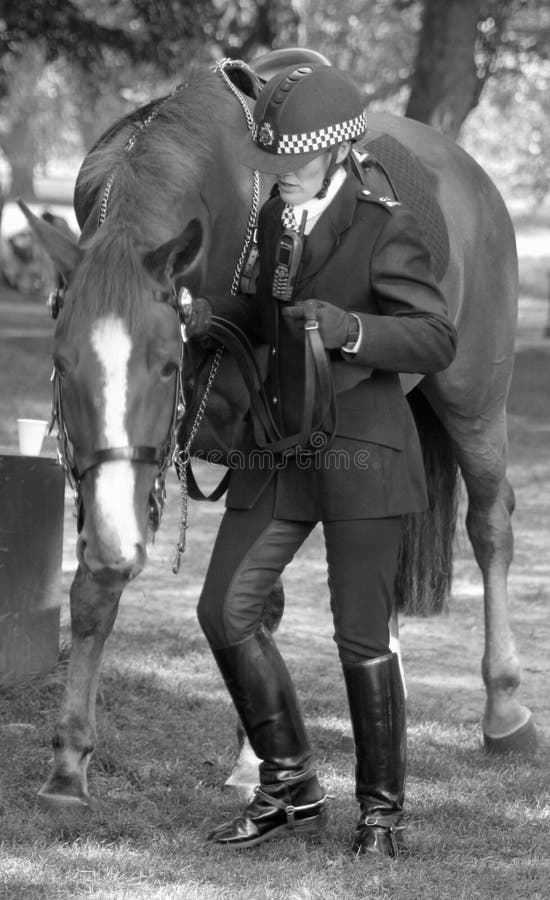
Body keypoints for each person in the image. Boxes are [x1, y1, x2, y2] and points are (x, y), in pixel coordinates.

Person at [188, 63, 457, 857]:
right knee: (224, 610)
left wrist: (351, 330)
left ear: (338, 150)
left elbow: (434, 337)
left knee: (361, 636)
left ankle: (382, 814)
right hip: (279, 449)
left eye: (295, 165)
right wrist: (204, 313)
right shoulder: (273, 219)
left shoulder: (385, 223)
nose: (281, 179)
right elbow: (260, 312)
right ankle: (289, 786)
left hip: (364, 453)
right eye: (272, 166)